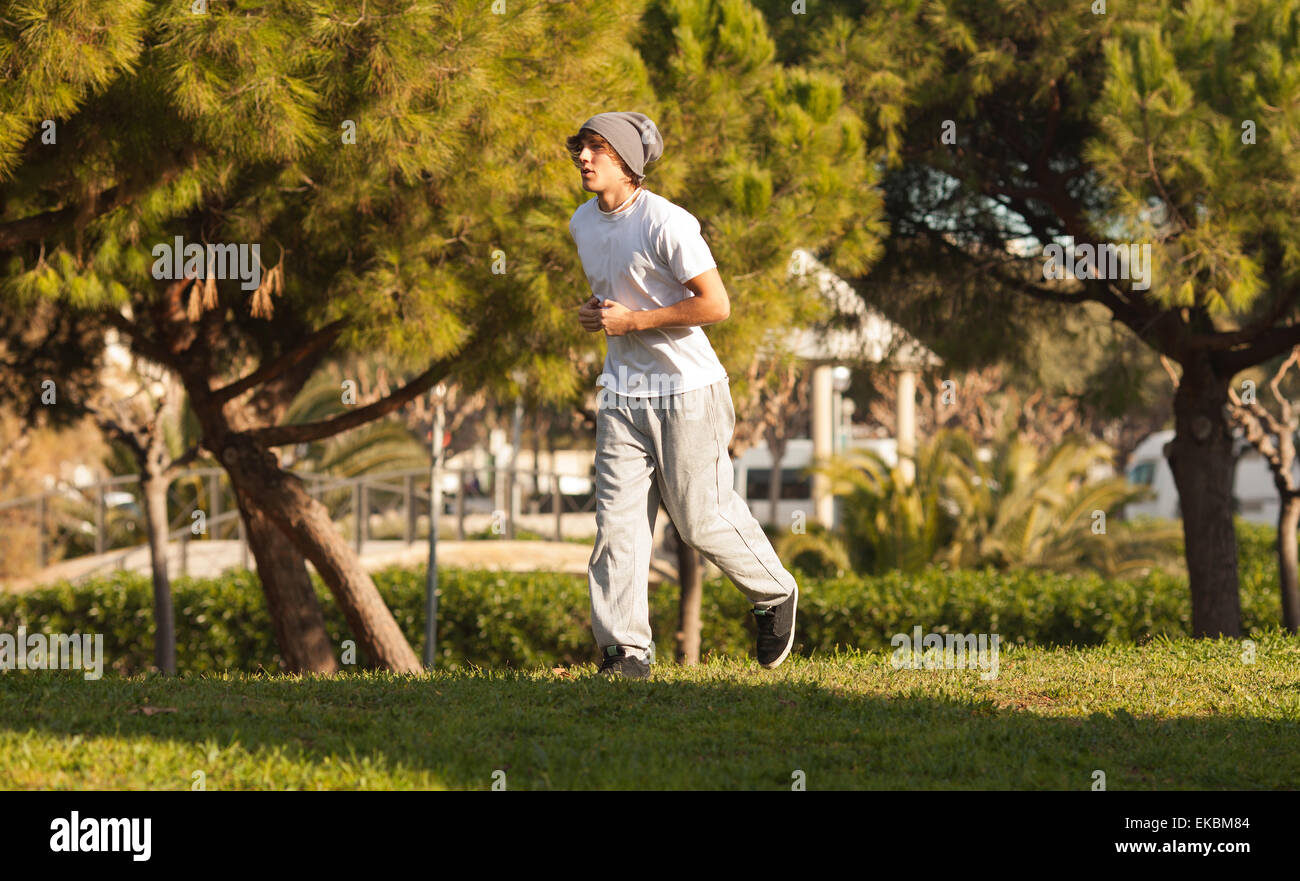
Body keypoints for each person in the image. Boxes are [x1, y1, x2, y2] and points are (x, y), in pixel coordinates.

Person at [565, 111, 798, 680]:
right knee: (617, 523)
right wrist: (598, 315)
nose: (584, 158)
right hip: (622, 391)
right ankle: (626, 652)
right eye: (581, 148)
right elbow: (620, 297)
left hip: (688, 390)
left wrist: (636, 322)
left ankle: (773, 592)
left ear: (627, 162)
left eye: (597, 149)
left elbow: (716, 305)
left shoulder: (668, 221)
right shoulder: (582, 223)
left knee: (698, 519)